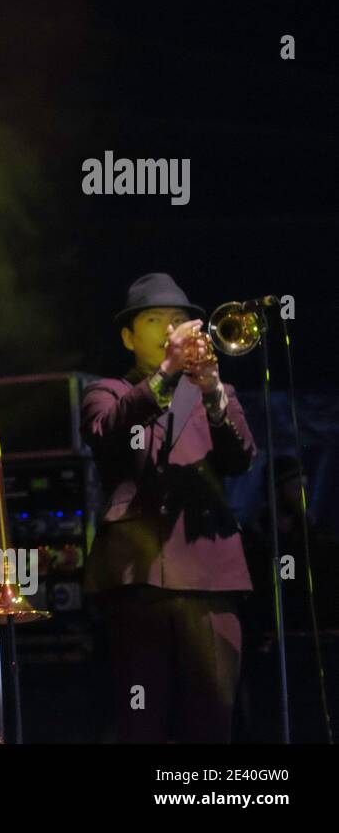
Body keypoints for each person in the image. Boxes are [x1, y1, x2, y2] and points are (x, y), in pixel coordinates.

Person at [81, 273, 256, 742]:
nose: (169, 329)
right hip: (139, 581)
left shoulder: (214, 392)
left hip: (209, 576)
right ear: (128, 337)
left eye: (178, 319)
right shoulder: (107, 391)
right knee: (141, 723)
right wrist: (166, 375)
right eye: (155, 320)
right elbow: (108, 433)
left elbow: (241, 458)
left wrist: (214, 393)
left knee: (212, 722)